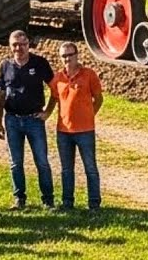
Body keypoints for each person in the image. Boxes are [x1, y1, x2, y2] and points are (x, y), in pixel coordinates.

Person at [0, 29, 55, 210]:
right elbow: (2, 95)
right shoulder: (5, 66)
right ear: (10, 46)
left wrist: (48, 112)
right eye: (15, 44)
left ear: (29, 44)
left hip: (34, 120)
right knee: (15, 162)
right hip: (12, 120)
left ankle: (48, 200)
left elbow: (55, 90)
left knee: (42, 162)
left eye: (22, 44)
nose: (19, 48)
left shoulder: (40, 63)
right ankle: (19, 199)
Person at [44, 41, 103, 212]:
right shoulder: (58, 78)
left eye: (70, 55)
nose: (67, 59)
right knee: (66, 169)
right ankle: (67, 203)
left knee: (90, 168)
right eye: (64, 56)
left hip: (85, 131)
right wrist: (47, 113)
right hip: (64, 132)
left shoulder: (89, 75)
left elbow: (98, 99)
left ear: (77, 55)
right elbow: (54, 98)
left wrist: (90, 115)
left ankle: (94, 204)